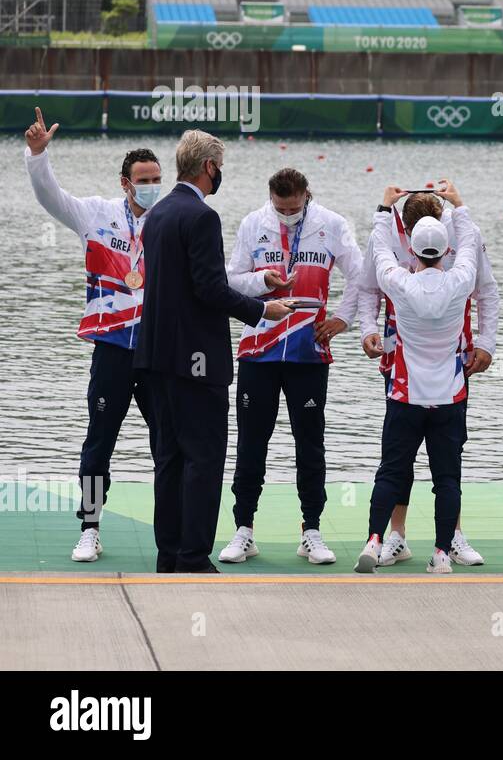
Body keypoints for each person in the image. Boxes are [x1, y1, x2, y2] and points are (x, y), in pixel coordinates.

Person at [133, 130, 291, 573]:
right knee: (202, 459)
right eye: (219, 166)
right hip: (196, 361)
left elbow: (184, 284)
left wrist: (257, 288)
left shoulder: (158, 212)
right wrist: (262, 310)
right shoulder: (202, 217)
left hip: (156, 357)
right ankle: (194, 555)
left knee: (169, 459)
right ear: (208, 167)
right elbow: (208, 288)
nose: (220, 174)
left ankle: (169, 554)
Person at [24, 107, 163, 562]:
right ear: (125, 182)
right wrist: (38, 156)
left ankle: (174, 528)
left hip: (157, 350)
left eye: (156, 177)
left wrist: (258, 286)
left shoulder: (171, 220)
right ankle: (89, 527)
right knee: (100, 438)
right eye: (143, 178)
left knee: (168, 440)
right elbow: (51, 198)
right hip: (112, 348)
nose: (151, 186)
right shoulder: (95, 215)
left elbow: (209, 276)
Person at [217, 168, 365, 565]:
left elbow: (362, 276)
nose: (287, 215)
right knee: (251, 444)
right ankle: (243, 530)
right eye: (281, 209)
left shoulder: (332, 224)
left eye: (294, 208)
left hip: (308, 352)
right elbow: (229, 281)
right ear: (271, 199)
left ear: (306, 197)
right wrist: (262, 280)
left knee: (310, 444)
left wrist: (343, 320)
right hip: (258, 351)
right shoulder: (253, 223)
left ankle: (311, 531)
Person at [356, 187, 499, 567]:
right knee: (446, 471)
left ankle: (389, 539)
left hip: (409, 383)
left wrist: (382, 208)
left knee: (394, 463)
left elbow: (489, 291)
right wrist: (461, 201)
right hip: (446, 384)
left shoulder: (400, 276)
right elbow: (366, 287)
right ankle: (416, 543)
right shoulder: (458, 273)